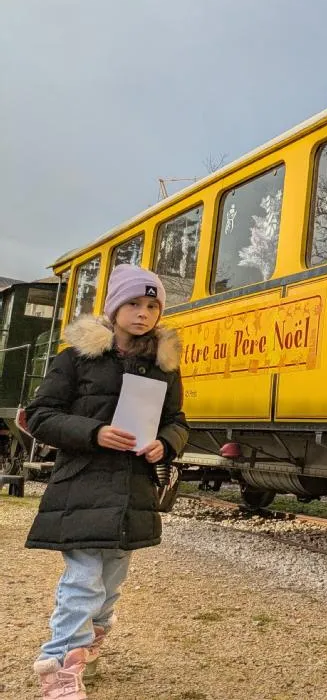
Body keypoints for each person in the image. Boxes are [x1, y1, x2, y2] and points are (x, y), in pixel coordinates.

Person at [26, 265, 188, 699]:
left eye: (152, 306)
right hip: (83, 482)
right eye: (134, 303)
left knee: (111, 583)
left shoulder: (163, 368)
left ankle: (88, 650)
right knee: (83, 580)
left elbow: (177, 421)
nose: (143, 314)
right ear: (115, 306)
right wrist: (94, 433)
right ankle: (59, 667)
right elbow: (39, 416)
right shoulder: (75, 359)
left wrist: (165, 444)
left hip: (133, 488)